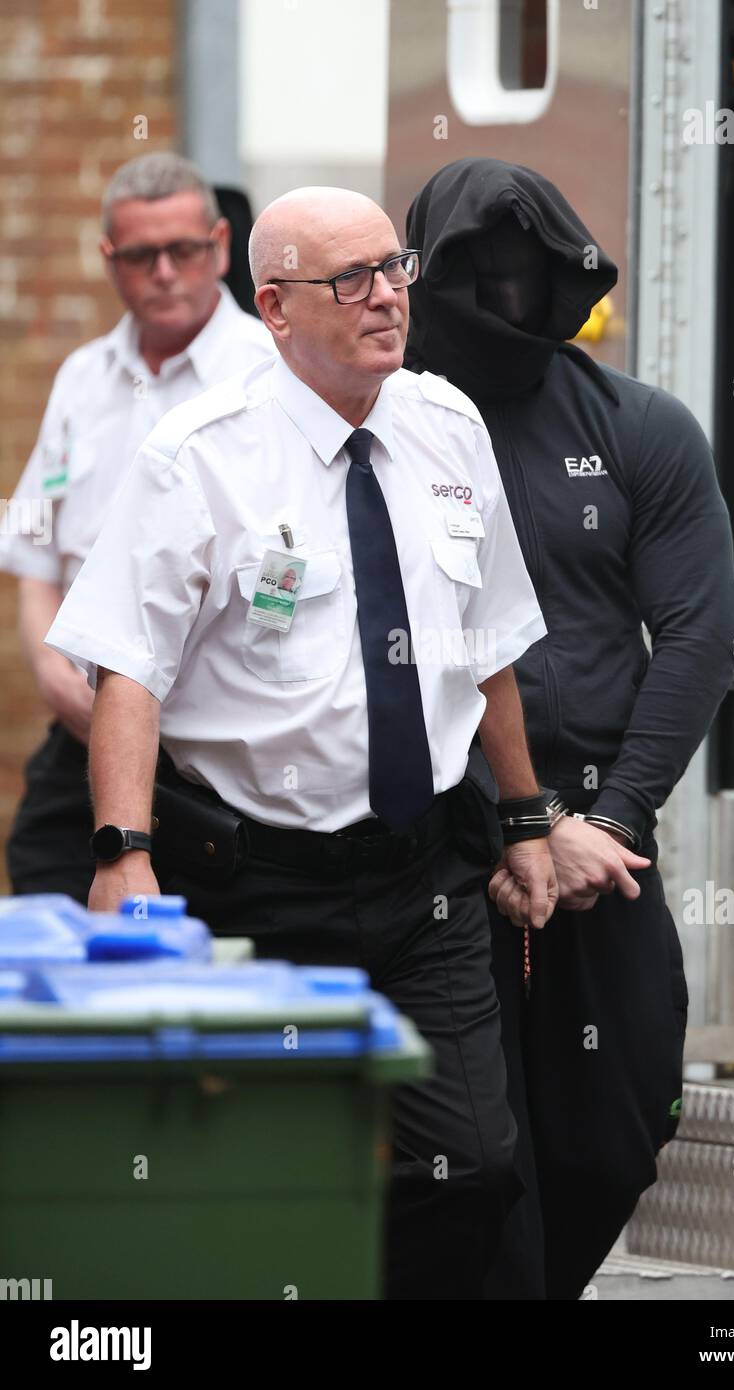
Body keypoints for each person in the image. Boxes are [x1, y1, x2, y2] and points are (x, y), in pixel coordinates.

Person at [44, 185, 559, 1300]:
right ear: (274, 307)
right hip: (259, 891)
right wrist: (120, 850)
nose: (386, 297)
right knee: (253, 1176)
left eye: (394, 267)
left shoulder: (446, 425)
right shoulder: (200, 455)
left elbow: (491, 643)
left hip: (423, 882)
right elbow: (130, 667)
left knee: (471, 1169)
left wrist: (526, 820)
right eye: (351, 280)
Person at [405, 157, 734, 1299]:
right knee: (469, 1166)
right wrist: (511, 824)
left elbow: (698, 634)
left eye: (525, 267)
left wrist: (610, 816)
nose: (503, 292)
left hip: (605, 846)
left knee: (614, 1132)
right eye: (475, 269)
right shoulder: (381, 432)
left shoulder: (640, 427)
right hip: (438, 852)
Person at [0, 152, 273, 903]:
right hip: (81, 733)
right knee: (45, 900)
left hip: (206, 748)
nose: (163, 273)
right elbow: (34, 553)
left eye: (182, 251)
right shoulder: (85, 376)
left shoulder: (270, 375)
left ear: (219, 246)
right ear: (108, 259)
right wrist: (55, 674)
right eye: (140, 255)